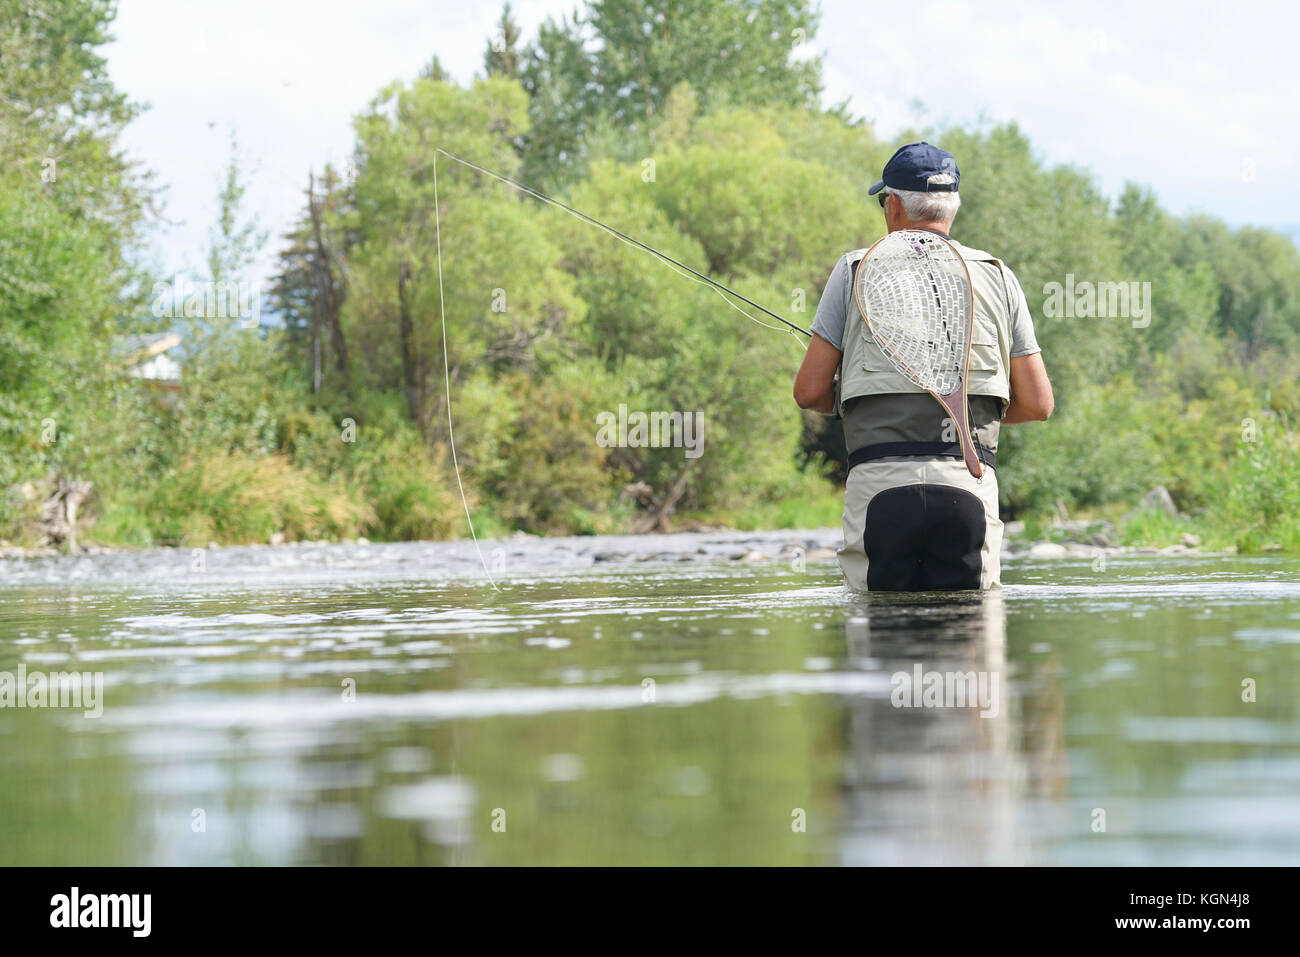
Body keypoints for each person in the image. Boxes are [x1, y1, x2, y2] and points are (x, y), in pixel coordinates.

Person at [793, 142, 1054, 591]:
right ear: (952, 207)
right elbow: (1039, 404)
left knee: (879, 641)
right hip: (968, 479)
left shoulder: (854, 268)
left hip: (879, 483)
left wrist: (858, 396)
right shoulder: (997, 274)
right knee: (972, 641)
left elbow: (808, 393)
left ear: (892, 205)